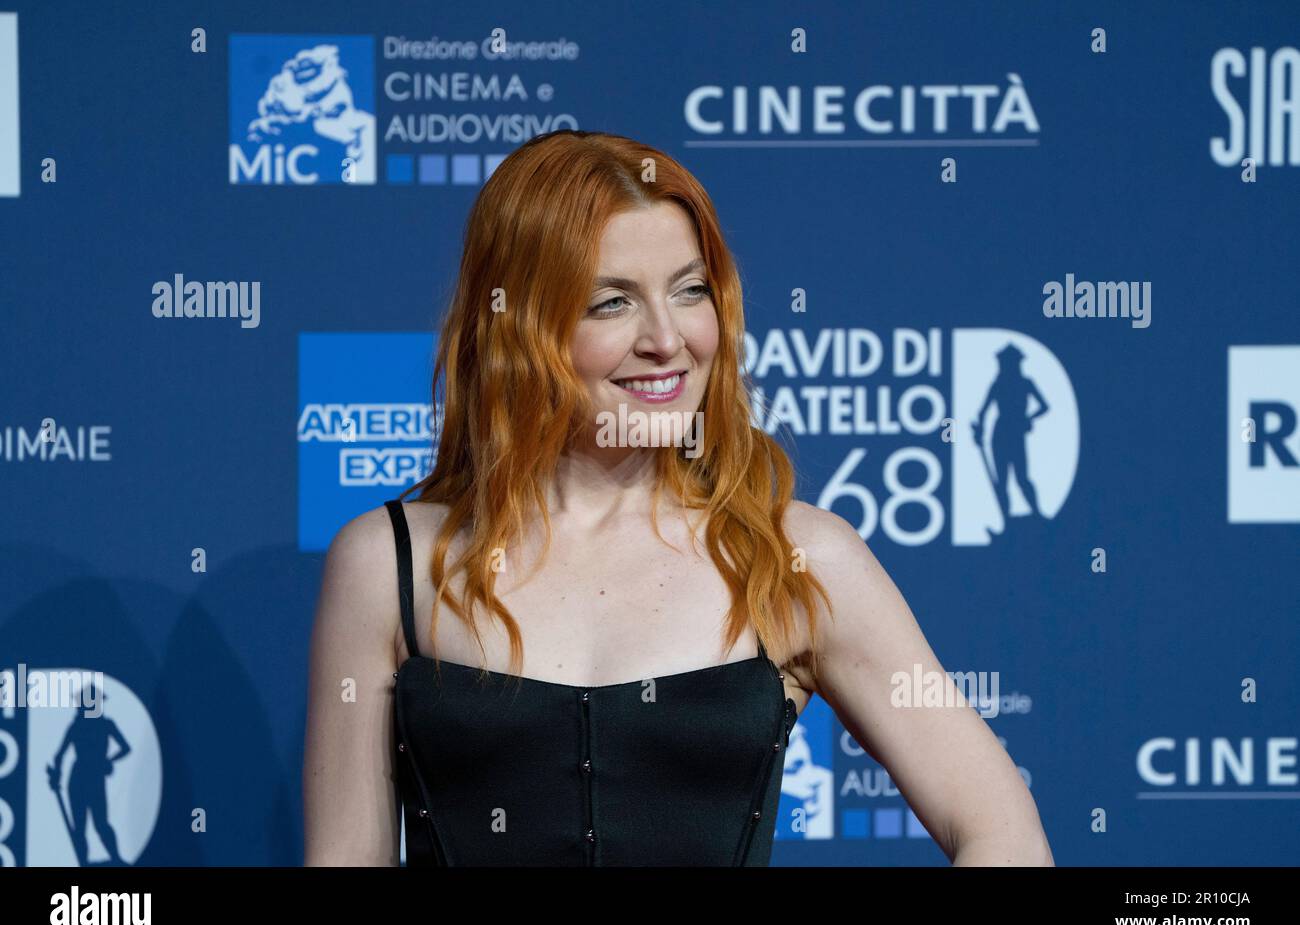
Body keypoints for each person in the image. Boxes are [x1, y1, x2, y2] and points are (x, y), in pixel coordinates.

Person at [302, 129, 1053, 866]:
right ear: (519, 326)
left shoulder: (797, 558)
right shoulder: (389, 562)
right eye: (611, 303)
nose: (668, 338)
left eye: (690, 291)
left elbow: (1002, 832)